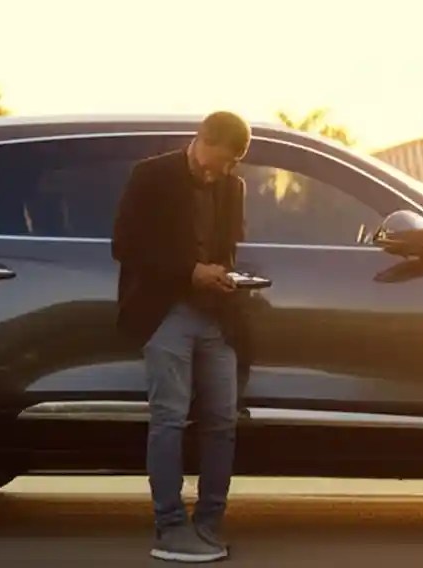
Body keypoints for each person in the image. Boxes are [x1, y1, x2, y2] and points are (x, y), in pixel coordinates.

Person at [112, 111, 251, 562]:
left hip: (216, 317)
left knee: (223, 420)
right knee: (169, 418)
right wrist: (191, 272)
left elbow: (226, 249)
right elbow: (125, 245)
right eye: (216, 160)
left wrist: (226, 276)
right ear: (200, 138)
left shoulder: (233, 187)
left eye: (230, 165)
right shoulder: (150, 176)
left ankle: (208, 524)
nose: (219, 172)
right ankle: (170, 526)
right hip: (164, 312)